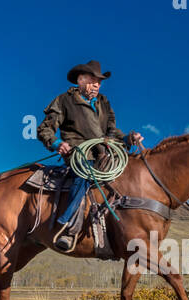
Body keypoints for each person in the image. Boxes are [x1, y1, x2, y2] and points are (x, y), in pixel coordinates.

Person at [37, 60, 145, 252]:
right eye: (93, 80)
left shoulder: (103, 102)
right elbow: (45, 129)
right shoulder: (64, 101)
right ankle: (68, 228)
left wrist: (129, 138)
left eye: (99, 81)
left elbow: (112, 131)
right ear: (80, 80)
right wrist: (56, 143)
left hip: (104, 153)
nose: (97, 84)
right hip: (79, 153)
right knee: (84, 175)